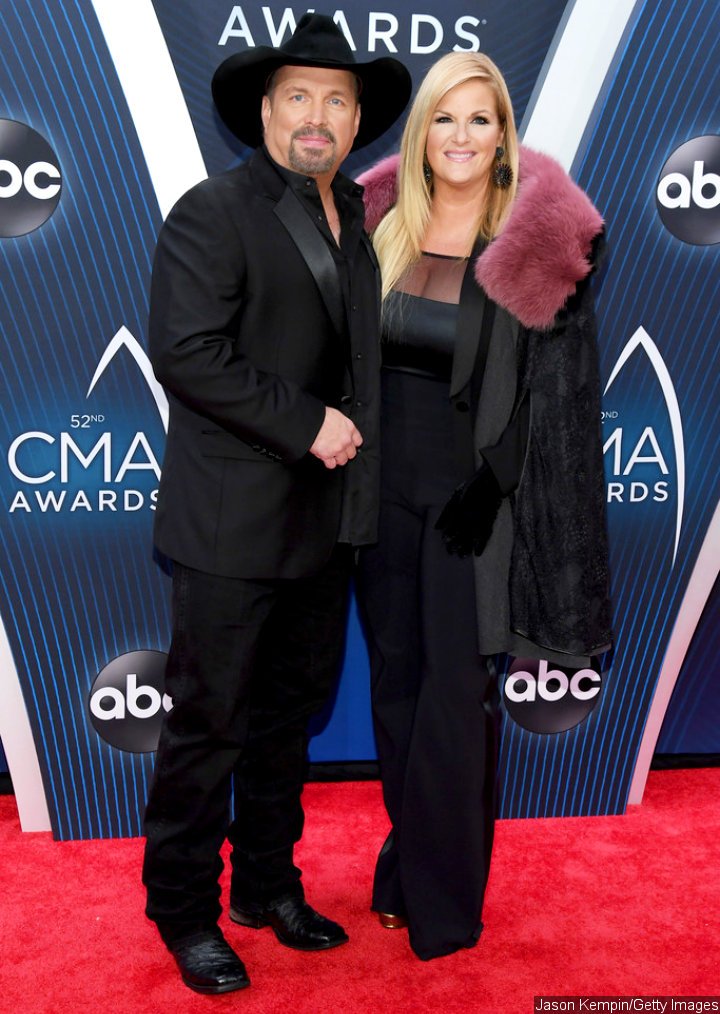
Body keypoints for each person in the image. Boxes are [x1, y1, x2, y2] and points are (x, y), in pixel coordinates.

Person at [142, 14, 411, 995]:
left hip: (327, 527)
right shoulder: (213, 211)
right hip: (230, 526)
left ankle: (264, 884)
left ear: (356, 121)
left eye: (337, 100)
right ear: (264, 109)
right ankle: (183, 910)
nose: (317, 115)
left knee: (287, 724)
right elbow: (189, 353)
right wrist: (309, 425)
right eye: (298, 95)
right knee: (208, 725)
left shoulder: (364, 222)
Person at [355, 51, 612, 961]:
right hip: (380, 496)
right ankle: (406, 857)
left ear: (503, 132)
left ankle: (445, 898)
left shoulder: (536, 240)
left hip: (477, 505)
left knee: (456, 702)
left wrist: (495, 477)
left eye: (479, 119)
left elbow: (558, 390)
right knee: (395, 691)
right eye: (443, 118)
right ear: (420, 132)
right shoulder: (377, 225)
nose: (460, 137)